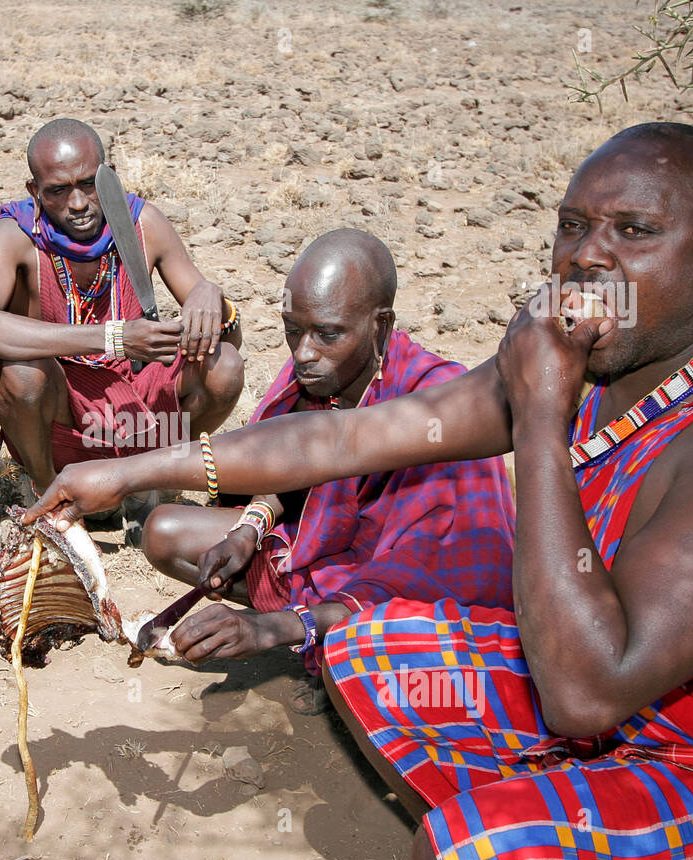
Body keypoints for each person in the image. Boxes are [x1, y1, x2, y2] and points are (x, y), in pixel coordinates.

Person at [27, 123, 693, 860]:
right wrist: (127, 471)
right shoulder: (582, 363)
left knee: (471, 846)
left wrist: (542, 424)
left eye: (636, 230)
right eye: (574, 225)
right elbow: (343, 438)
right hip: (596, 686)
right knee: (362, 653)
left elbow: (587, 694)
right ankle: (559, 801)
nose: (588, 256)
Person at [140, 229, 514, 712]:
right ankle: (314, 631)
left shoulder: (440, 399)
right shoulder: (321, 373)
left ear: (381, 325)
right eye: (292, 329)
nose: (303, 353)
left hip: (395, 588)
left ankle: (318, 635)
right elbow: (290, 475)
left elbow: (433, 573)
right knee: (165, 531)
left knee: (391, 667)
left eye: (328, 334)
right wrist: (249, 530)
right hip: (316, 546)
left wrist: (277, 627)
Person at [0, 118, 245, 497]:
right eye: (57, 190)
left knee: (225, 367)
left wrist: (212, 296)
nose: (77, 203)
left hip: (138, 397)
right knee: (22, 374)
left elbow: (228, 336)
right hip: (62, 406)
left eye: (89, 184)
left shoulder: (144, 224)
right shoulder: (17, 236)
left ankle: (156, 480)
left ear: (110, 178)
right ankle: (47, 491)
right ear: (34, 190)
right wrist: (114, 338)